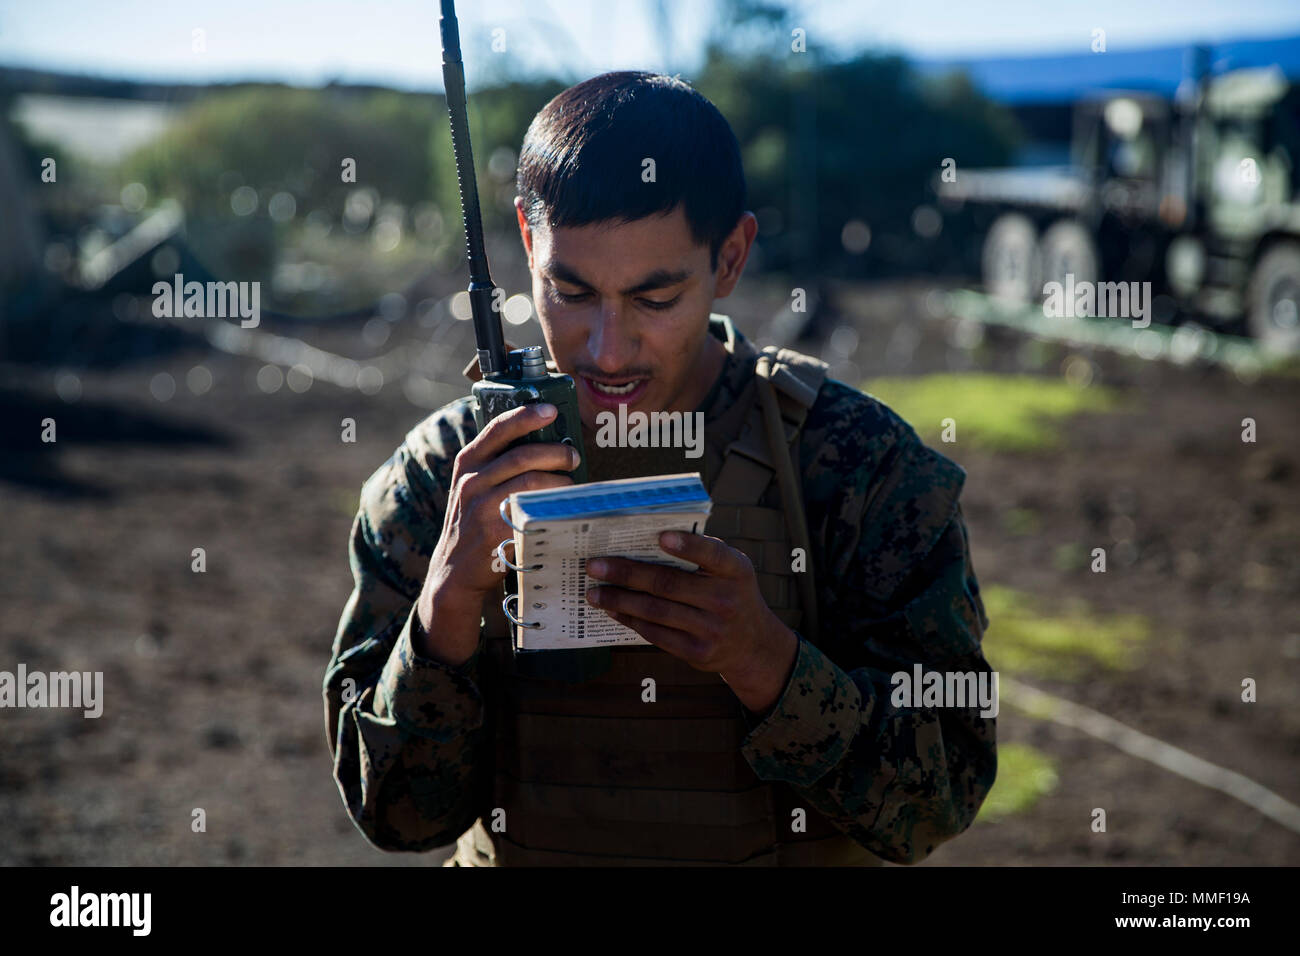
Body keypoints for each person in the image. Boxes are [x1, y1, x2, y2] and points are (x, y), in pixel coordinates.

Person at [323, 71, 996, 866]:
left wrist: (766, 663)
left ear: (732, 257)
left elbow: (940, 797)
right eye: (569, 292)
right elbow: (396, 818)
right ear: (527, 243)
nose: (607, 350)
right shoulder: (448, 476)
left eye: (654, 298)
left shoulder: (855, 467)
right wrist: (443, 615)